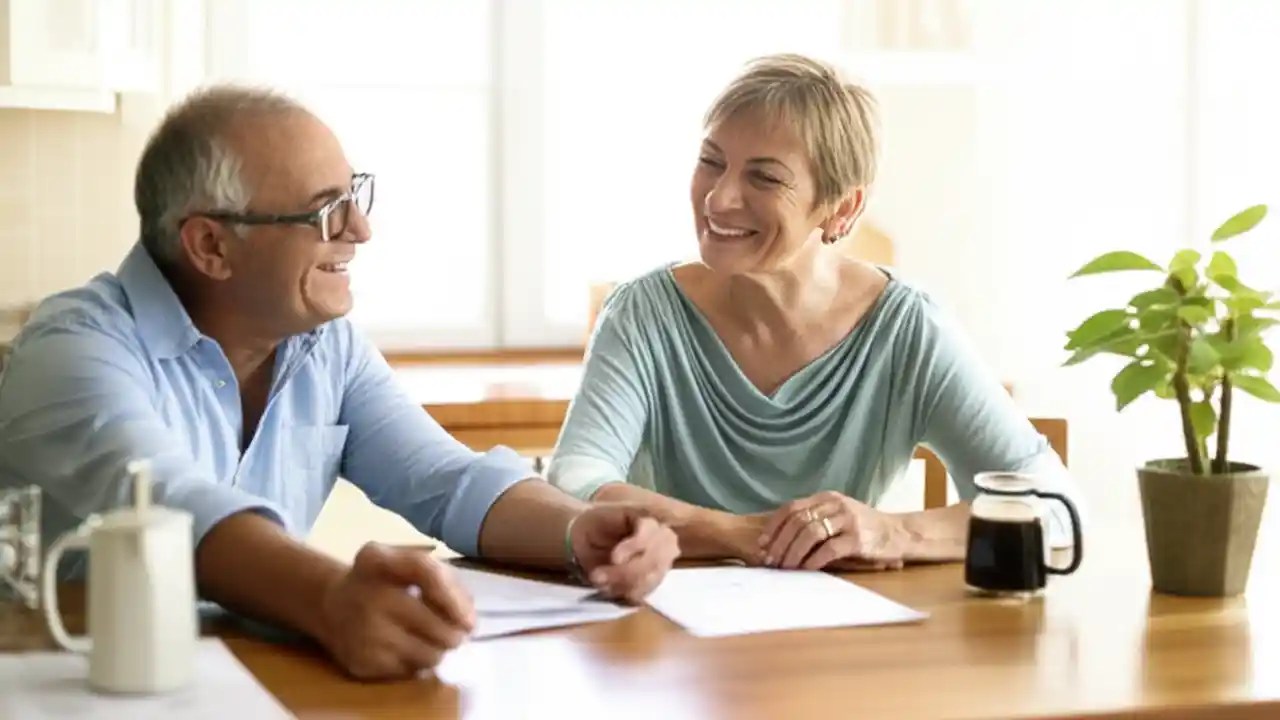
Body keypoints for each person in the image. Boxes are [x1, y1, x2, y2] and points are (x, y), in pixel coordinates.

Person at [0, 85, 678, 680]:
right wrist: (330, 598)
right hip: (82, 687)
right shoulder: (73, 350)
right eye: (326, 210)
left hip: (244, 678)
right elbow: (172, 510)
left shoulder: (325, 347)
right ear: (210, 246)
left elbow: (447, 480)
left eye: (355, 196)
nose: (361, 228)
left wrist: (580, 530)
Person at [546, 53, 1084, 572]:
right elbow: (573, 482)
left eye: (764, 178)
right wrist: (741, 535)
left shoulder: (905, 329)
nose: (719, 198)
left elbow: (1056, 506)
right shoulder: (644, 313)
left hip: (850, 645)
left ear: (842, 208)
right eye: (712, 162)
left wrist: (890, 531)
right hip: (672, 640)